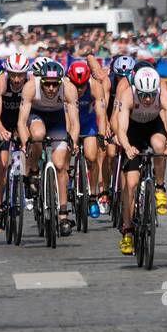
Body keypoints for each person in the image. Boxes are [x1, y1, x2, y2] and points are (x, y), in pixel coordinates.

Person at [113, 66, 167, 256]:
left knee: (159, 146)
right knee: (131, 185)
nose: (148, 99)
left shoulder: (164, 96)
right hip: (132, 131)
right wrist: (127, 147)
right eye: (143, 95)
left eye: (151, 95)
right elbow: (121, 129)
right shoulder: (127, 96)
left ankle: (159, 188)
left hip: (153, 126)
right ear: (137, 90)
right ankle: (127, 231)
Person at [17, 61, 80, 236]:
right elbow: (21, 122)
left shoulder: (69, 89)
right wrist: (24, 144)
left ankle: (63, 214)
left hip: (57, 119)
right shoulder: (30, 87)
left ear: (61, 82)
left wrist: (72, 143)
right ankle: (34, 171)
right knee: (37, 134)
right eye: (47, 84)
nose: (51, 88)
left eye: (55, 84)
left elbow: (74, 124)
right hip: (36, 116)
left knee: (60, 165)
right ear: (40, 80)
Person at [0, 53, 30, 229]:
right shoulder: (0, 83)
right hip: (3, 122)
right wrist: (2, 130)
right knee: (3, 162)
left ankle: (29, 182)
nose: (17, 79)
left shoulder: (30, 83)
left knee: (30, 148)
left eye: (20, 75)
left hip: (23, 120)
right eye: (13, 74)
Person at [67, 59, 109, 218]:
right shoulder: (65, 87)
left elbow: (101, 114)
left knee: (92, 157)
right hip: (69, 122)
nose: (79, 89)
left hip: (88, 123)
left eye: (82, 85)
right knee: (64, 154)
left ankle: (92, 197)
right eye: (76, 85)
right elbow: (64, 116)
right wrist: (71, 139)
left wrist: (102, 136)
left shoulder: (95, 87)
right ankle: (66, 181)